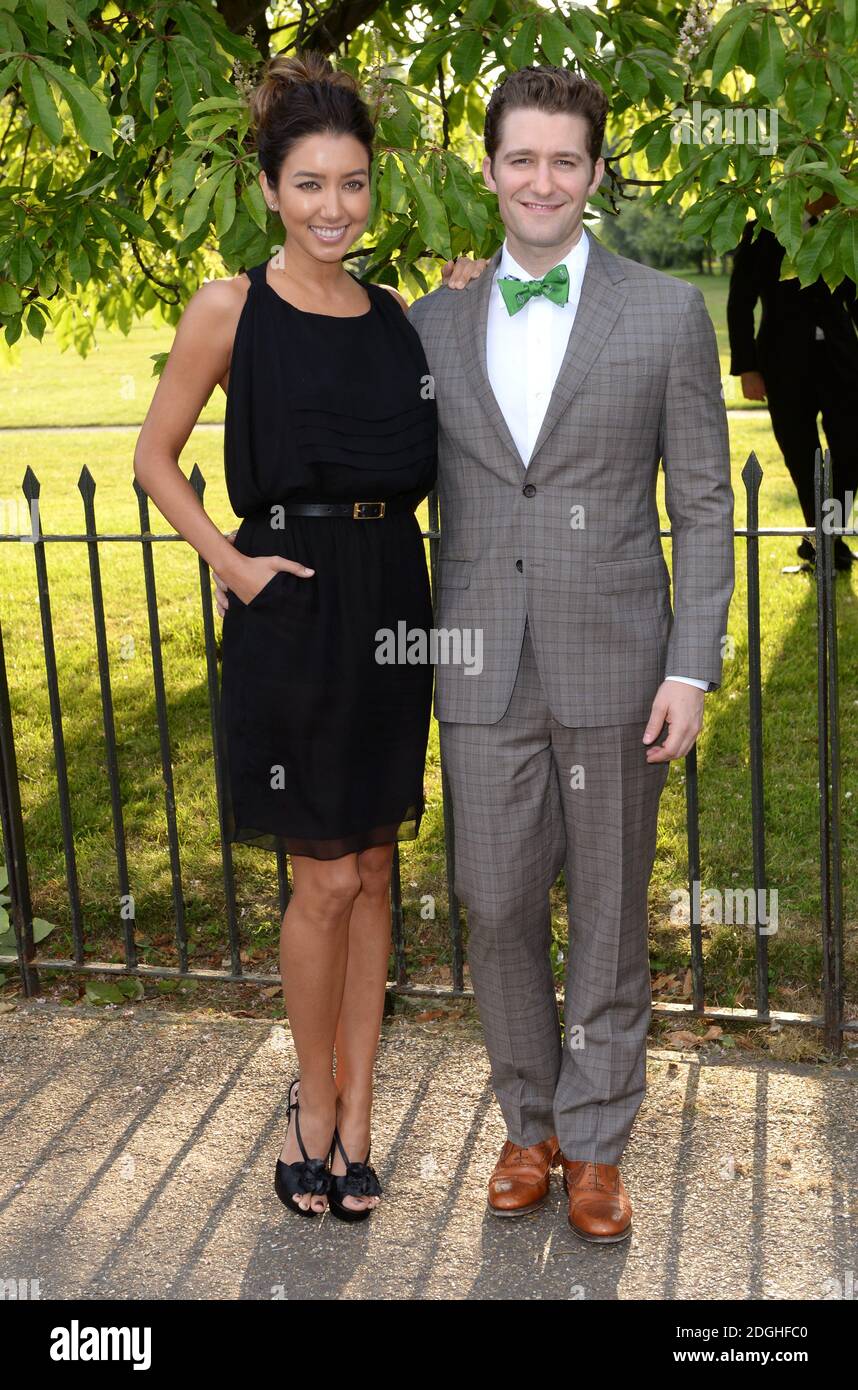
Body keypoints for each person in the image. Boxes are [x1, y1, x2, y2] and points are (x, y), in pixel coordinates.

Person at [135, 51, 480, 1223]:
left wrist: (467, 293)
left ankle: (363, 1113)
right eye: (311, 185)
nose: (336, 208)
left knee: (378, 866)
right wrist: (229, 565)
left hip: (392, 602)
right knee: (323, 877)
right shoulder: (232, 305)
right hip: (290, 606)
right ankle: (312, 1108)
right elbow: (154, 456)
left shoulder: (397, 320)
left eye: (354, 185)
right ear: (272, 190)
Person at [406, 64, 735, 1242]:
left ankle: (591, 1144)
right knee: (490, 902)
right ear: (487, 170)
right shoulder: (432, 323)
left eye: (564, 159)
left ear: (595, 172)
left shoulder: (663, 314)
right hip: (480, 666)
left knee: (605, 911)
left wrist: (691, 666)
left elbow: (703, 503)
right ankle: (526, 1115)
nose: (541, 180)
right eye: (519, 158)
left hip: (620, 665)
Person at [727, 197, 858, 574]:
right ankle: (824, 546)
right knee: (803, 459)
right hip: (782, 367)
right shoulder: (761, 231)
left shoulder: (843, 227)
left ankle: (821, 540)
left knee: (852, 450)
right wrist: (747, 369)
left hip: (843, 361)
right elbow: (740, 303)